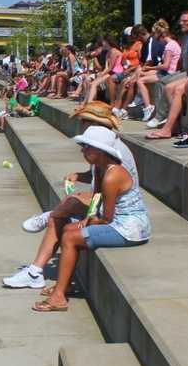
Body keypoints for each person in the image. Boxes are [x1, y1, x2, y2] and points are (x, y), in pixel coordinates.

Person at [8, 111, 139, 291]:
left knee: (70, 210)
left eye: (85, 122)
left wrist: (91, 219)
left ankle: (59, 290)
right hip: (106, 206)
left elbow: (108, 210)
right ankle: (34, 273)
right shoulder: (99, 149)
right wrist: (78, 177)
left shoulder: (114, 157)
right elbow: (97, 189)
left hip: (120, 216)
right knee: (61, 220)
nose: (82, 126)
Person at [25, 126, 150, 312]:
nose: (82, 150)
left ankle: (59, 296)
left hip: (130, 227)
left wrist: (90, 222)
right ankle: (63, 286)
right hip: (117, 221)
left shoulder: (112, 175)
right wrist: (89, 217)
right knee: (69, 229)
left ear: (101, 151)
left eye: (87, 147)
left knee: (70, 237)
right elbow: (97, 197)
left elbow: (107, 218)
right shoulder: (100, 168)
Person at [146, 10, 188, 130]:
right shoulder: (186, 36)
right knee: (164, 82)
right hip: (185, 71)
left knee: (167, 85)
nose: (181, 23)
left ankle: (162, 117)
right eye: (181, 21)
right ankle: (165, 117)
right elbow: (182, 59)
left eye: (185, 21)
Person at [137, 19, 181, 122]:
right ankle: (144, 103)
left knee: (140, 80)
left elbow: (165, 66)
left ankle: (148, 107)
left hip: (168, 73)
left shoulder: (169, 46)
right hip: (167, 71)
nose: (156, 40)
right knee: (142, 74)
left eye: (156, 36)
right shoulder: (172, 43)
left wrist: (150, 68)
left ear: (160, 35)